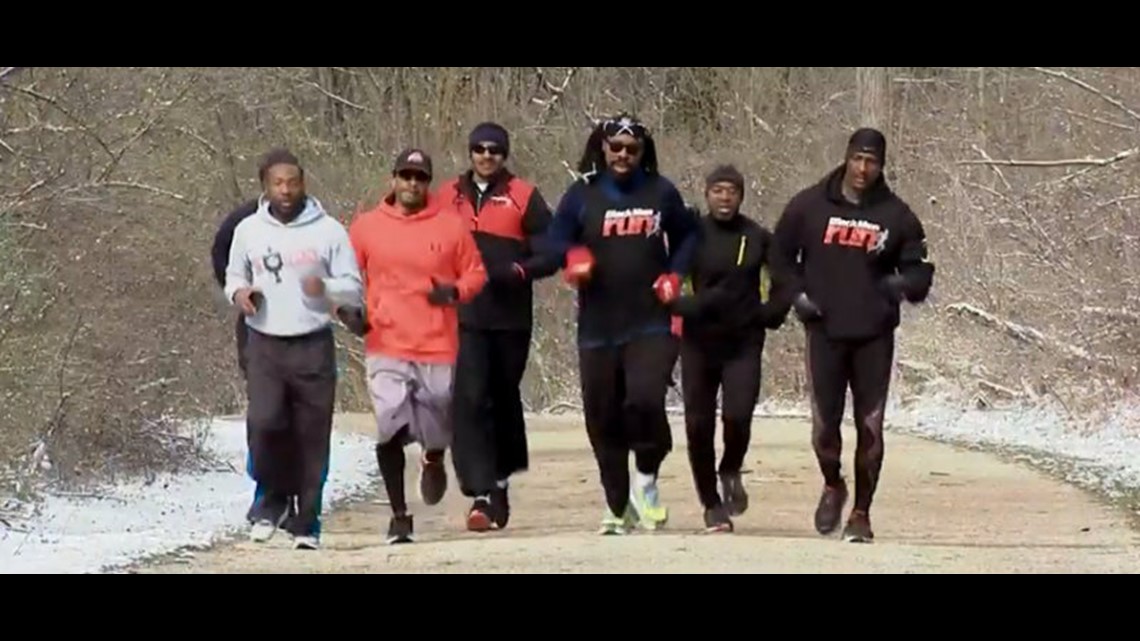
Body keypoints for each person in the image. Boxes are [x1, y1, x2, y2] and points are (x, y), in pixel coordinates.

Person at [769, 128, 935, 543]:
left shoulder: (897, 216)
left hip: (874, 335)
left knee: (871, 426)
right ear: (846, 157)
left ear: (881, 165)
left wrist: (901, 285)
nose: (863, 169)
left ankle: (861, 513)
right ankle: (832, 483)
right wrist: (796, 295)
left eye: (872, 161)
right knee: (825, 427)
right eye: (858, 159)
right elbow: (779, 255)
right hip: (825, 330)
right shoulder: (808, 206)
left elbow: (919, 271)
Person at [546, 113, 699, 535]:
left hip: (650, 320)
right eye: (616, 148)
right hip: (598, 326)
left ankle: (646, 478)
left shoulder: (661, 191)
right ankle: (617, 502)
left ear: (643, 152)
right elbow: (555, 237)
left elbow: (688, 236)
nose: (624, 155)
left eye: (632, 149)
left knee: (645, 399)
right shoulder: (582, 194)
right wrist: (571, 255)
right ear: (603, 148)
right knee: (602, 415)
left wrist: (674, 273)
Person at [224, 148, 365, 551]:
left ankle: (308, 521)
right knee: (266, 423)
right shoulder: (249, 230)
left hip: (312, 343)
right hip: (265, 341)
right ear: (265, 187)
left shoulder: (329, 231)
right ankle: (273, 499)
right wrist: (241, 293)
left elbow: (352, 285)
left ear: (304, 182)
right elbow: (234, 273)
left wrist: (327, 289)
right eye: (278, 183)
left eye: (293, 182)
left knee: (311, 434)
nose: (286, 190)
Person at [349, 148, 488, 545]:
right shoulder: (366, 227)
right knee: (389, 425)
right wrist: (349, 310)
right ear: (393, 179)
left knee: (437, 423)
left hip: (437, 345)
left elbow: (476, 275)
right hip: (386, 342)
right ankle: (399, 515)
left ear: (429, 182)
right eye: (405, 175)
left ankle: (434, 456)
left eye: (420, 177)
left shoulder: (450, 226)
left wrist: (455, 291)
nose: (412, 183)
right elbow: (346, 274)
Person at [436, 122, 559, 532]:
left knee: (501, 399)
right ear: (469, 153)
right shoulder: (446, 197)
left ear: (504, 155)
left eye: (494, 150)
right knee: (469, 400)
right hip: (463, 317)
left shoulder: (524, 197)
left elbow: (552, 253)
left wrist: (518, 269)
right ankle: (481, 494)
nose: (486, 156)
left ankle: (501, 482)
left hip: (509, 319)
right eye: (479, 149)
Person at [671, 165, 789, 534]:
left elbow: (785, 280)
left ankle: (730, 466)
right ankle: (711, 504)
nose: (725, 197)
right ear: (707, 194)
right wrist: (697, 305)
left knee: (738, 415)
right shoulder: (690, 236)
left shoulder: (756, 237)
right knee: (698, 425)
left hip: (743, 341)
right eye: (718, 190)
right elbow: (666, 288)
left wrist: (769, 314)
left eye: (732, 191)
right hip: (699, 342)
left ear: (741, 196)